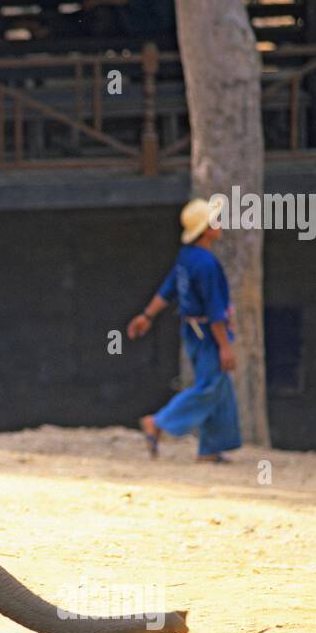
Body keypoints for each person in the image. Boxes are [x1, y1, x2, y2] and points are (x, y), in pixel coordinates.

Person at [126, 198, 242, 463]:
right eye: (215, 221)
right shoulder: (207, 264)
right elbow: (215, 311)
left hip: (191, 332)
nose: (219, 223)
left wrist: (147, 316)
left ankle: (210, 449)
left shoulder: (186, 257)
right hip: (208, 333)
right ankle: (159, 422)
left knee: (219, 387)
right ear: (205, 230)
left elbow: (168, 289)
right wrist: (224, 345)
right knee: (209, 386)